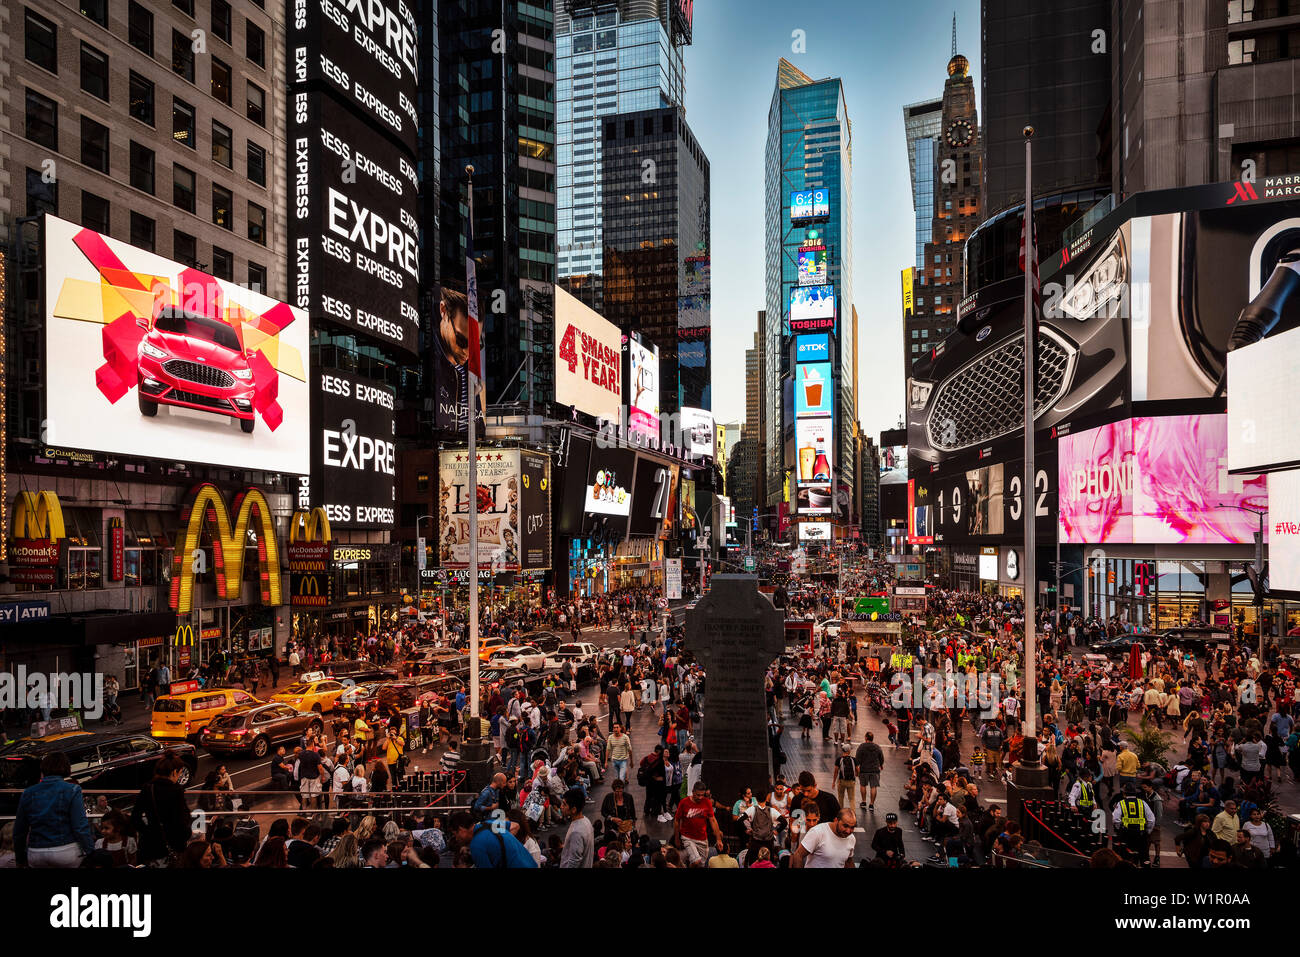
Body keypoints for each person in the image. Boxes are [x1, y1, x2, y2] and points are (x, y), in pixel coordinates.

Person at [13, 752, 95, 867]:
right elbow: (79, 826)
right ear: (66, 768)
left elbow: (20, 830)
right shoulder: (72, 789)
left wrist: (20, 858)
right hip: (65, 850)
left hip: (36, 852)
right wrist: (91, 851)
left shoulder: (28, 792)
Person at [130, 754, 194, 866]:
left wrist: (148, 832)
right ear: (174, 772)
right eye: (179, 773)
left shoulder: (148, 788)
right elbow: (182, 819)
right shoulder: (175, 791)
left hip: (150, 845)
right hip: (172, 844)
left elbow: (135, 817)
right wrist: (187, 834)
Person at [446, 809, 537, 868]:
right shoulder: (489, 823)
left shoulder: (476, 845)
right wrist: (503, 844)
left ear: (461, 830)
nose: (457, 839)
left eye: (455, 834)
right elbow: (515, 826)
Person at [673, 780, 724, 866]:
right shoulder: (684, 802)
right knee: (696, 861)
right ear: (693, 792)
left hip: (702, 839)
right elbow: (676, 821)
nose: (700, 797)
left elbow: (713, 820)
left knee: (701, 864)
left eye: (702, 795)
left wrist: (718, 839)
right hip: (687, 837)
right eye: (698, 795)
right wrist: (677, 838)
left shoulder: (707, 802)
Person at [792, 808, 858, 868]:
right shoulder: (818, 832)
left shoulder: (851, 839)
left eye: (852, 827)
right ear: (836, 820)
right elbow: (798, 855)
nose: (848, 831)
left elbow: (848, 861)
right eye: (845, 826)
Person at [1112, 791, 1155, 864]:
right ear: (1136, 794)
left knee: (1125, 857)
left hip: (1126, 835)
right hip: (1141, 835)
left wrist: (1120, 829)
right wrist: (1148, 831)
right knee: (1143, 857)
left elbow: (1116, 819)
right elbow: (1151, 820)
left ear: (1124, 794)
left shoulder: (1121, 803)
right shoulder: (1143, 803)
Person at [559, 788, 594, 868]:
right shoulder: (586, 820)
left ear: (573, 809)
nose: (561, 807)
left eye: (564, 804)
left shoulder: (576, 832)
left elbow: (574, 862)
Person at [855, 731, 885, 810]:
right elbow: (881, 757)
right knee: (873, 787)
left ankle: (864, 801)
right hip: (874, 769)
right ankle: (871, 804)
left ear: (866, 738)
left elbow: (857, 758)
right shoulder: (877, 747)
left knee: (863, 785)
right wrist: (881, 765)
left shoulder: (862, 746)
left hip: (864, 769)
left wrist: (857, 767)